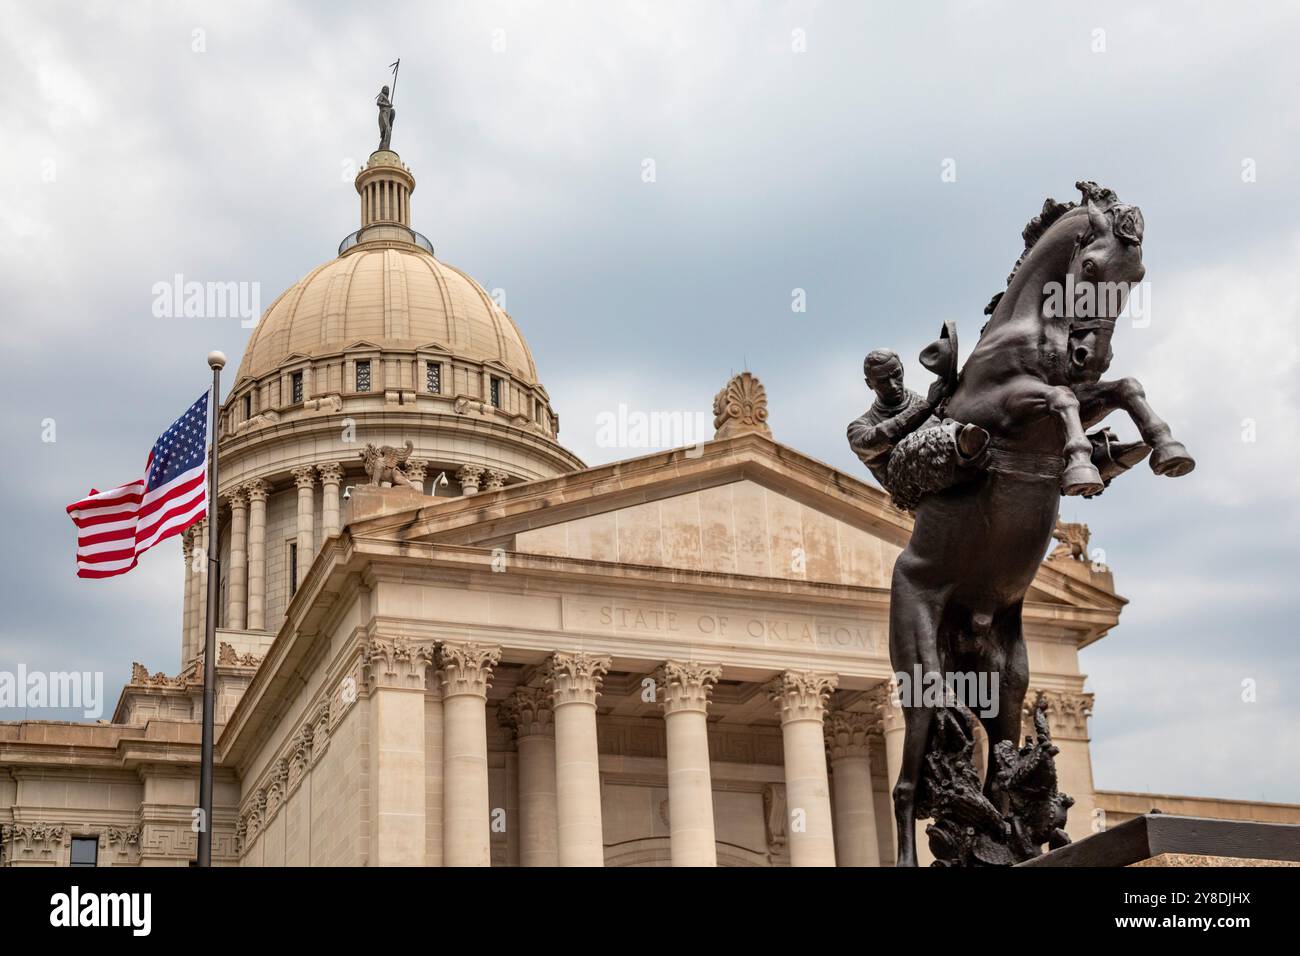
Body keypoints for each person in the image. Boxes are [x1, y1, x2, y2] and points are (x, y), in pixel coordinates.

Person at [377, 85, 395, 151]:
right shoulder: (382, 95)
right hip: (383, 113)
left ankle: (382, 148)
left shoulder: (386, 99)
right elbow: (378, 102)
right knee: (387, 131)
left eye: (387, 89)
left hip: (387, 115)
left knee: (386, 133)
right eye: (385, 89)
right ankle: (385, 148)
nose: (387, 90)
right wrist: (388, 105)